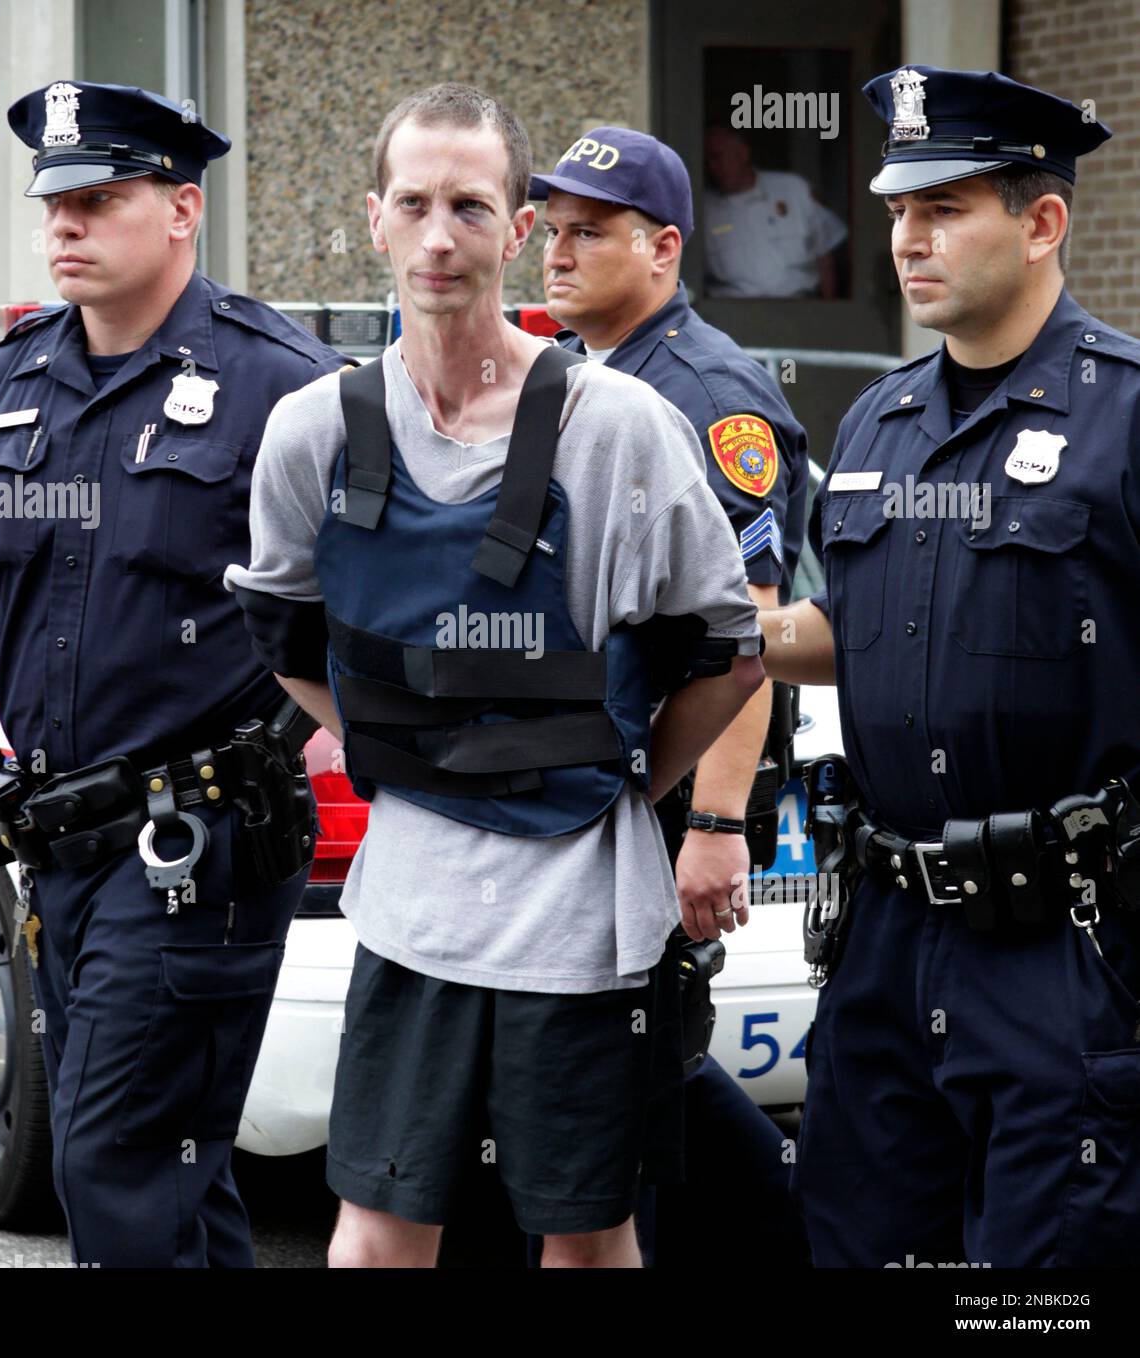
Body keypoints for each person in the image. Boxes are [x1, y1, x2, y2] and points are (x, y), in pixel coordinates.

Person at [226, 82, 765, 1268]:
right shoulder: (313, 429)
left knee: (583, 1238)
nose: (438, 235)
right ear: (373, 219)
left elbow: (728, 646)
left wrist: (625, 774)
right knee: (373, 1236)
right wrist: (404, 750)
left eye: (470, 205)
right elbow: (281, 628)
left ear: (517, 230)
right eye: (412, 202)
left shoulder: (620, 428)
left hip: (583, 929)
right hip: (411, 915)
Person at [0, 81, 345, 1266]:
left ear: (182, 208)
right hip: (54, 854)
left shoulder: (287, 387)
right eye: (55, 199)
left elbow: (374, 607)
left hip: (197, 846)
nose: (65, 221)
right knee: (165, 1167)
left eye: (99, 197)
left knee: (113, 1162)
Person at [759, 65, 1139, 1267]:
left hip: (1064, 942)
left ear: (1041, 223)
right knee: (858, 1242)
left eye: (944, 209)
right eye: (895, 211)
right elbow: (853, 629)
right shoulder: (877, 419)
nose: (907, 240)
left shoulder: (1123, 416)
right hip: (883, 937)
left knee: (1042, 1274)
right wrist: (713, 633)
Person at [532, 125, 811, 1265]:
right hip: (589, 794)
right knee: (631, 1079)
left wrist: (712, 825)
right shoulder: (577, 376)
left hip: (662, 802)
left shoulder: (706, 391)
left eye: (586, 233)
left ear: (662, 247)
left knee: (629, 1079)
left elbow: (741, 632)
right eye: (547, 231)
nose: (554, 252)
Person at [702, 125, 846, 299]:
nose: (711, 166)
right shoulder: (702, 208)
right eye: (706, 160)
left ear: (742, 153)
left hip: (799, 310)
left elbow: (825, 254)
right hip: (730, 312)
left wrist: (828, 315)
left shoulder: (792, 189)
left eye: (717, 156)